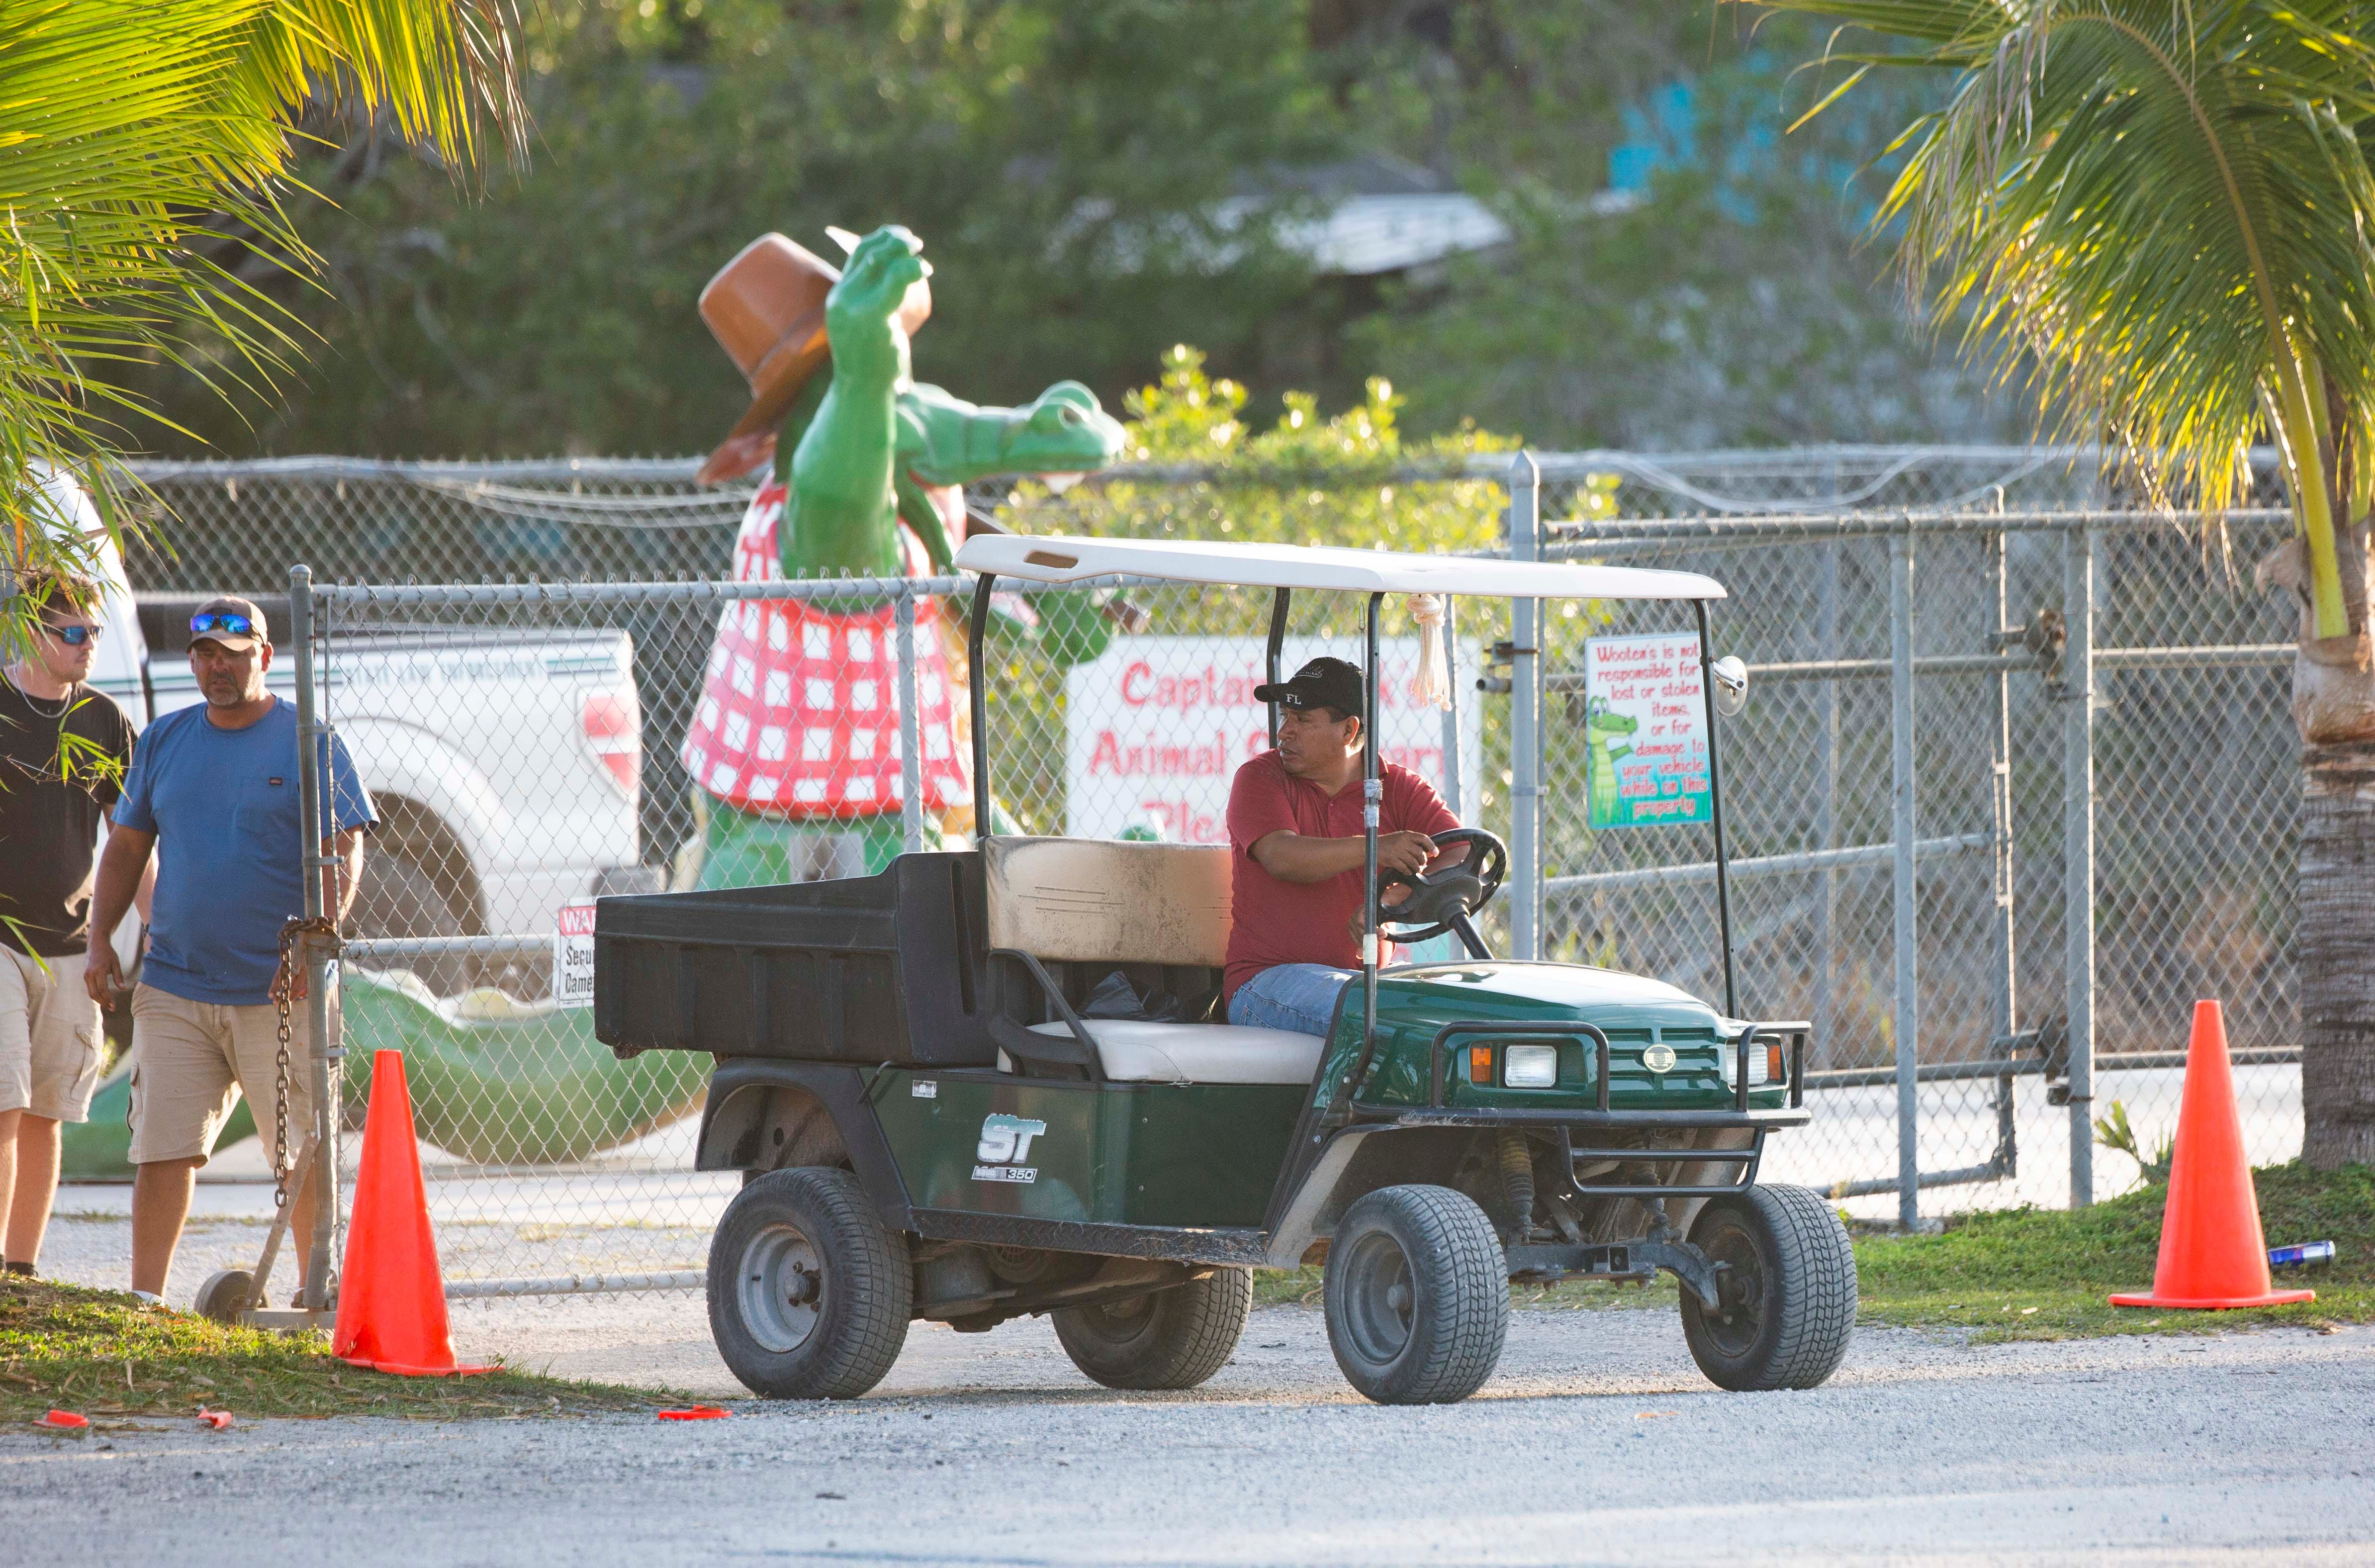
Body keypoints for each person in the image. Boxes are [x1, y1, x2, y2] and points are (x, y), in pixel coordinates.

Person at [83, 595, 374, 1306]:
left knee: (302, 1153)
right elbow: (125, 848)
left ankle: (315, 1299)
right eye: (205, 655)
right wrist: (98, 940)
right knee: (162, 1149)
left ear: (265, 658)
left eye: (233, 656)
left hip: (282, 991)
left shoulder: (309, 740)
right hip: (177, 983)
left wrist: (316, 938)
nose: (217, 668)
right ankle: (146, 1304)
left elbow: (347, 843)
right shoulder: (165, 741)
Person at [0, 575, 144, 1279]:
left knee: (47, 1113)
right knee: (4, 1100)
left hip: (70, 942)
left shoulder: (103, 720)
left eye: (94, 632)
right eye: (74, 633)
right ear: (31, 630)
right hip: (1, 938)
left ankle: (20, 1271)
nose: (89, 645)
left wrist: (160, 929)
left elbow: (131, 838)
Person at [1223, 656, 1459, 1036]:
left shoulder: (1399, 787)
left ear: (1349, 730)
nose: (1284, 732)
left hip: (1362, 983)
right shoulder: (1260, 777)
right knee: (1373, 1014)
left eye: (1302, 721)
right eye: (1285, 716)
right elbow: (1283, 857)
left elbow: (1464, 855)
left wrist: (1388, 902)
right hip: (1263, 984)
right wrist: (1375, 848)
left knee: (1453, 1014)